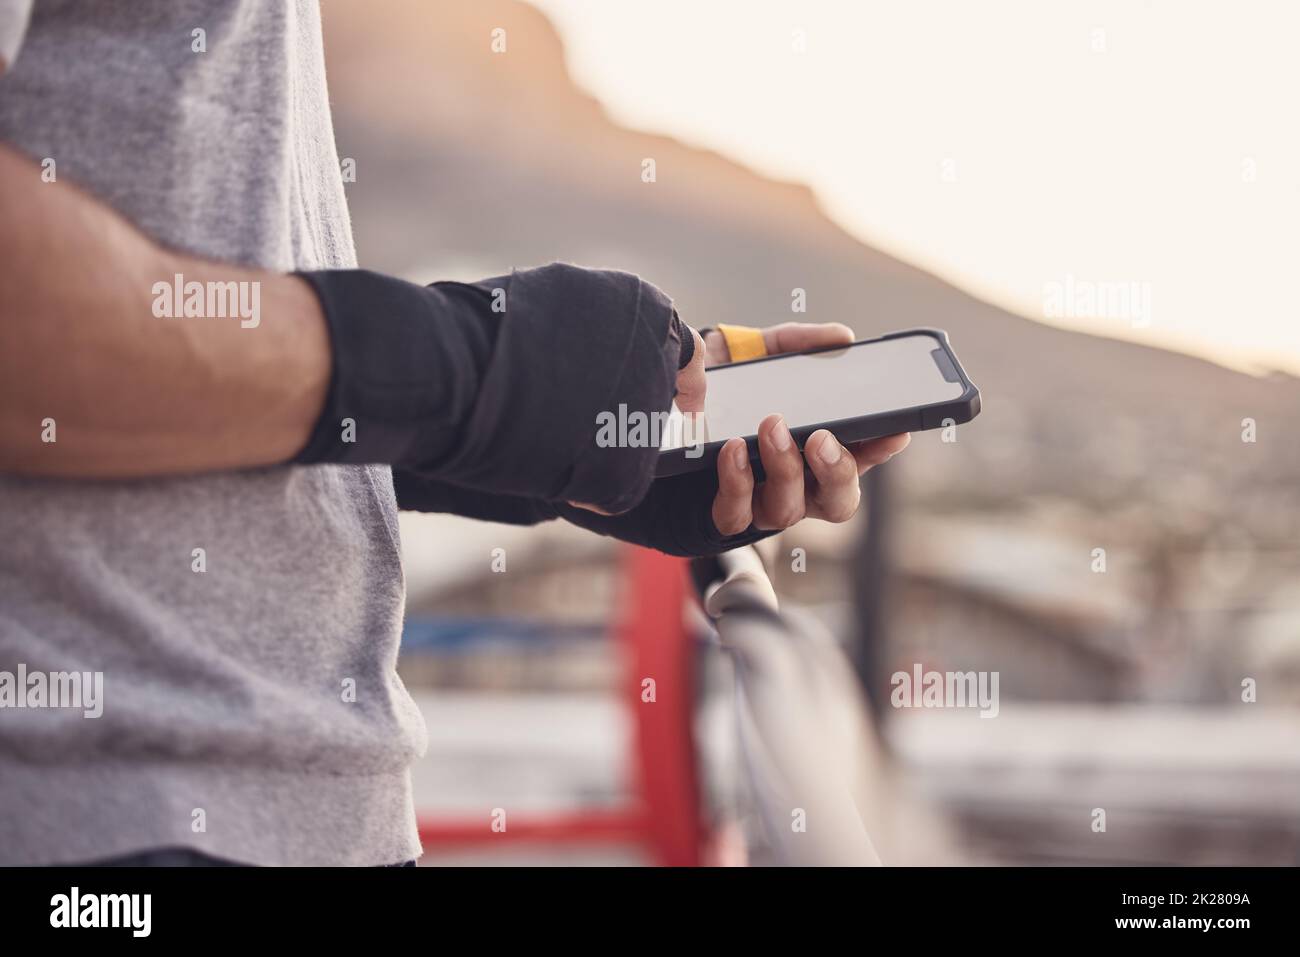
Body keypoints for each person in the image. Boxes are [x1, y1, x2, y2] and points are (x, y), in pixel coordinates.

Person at [0, 0, 909, 866]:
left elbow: (258, 370)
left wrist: (559, 445)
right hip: (101, 823)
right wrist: (478, 375)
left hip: (328, 812)